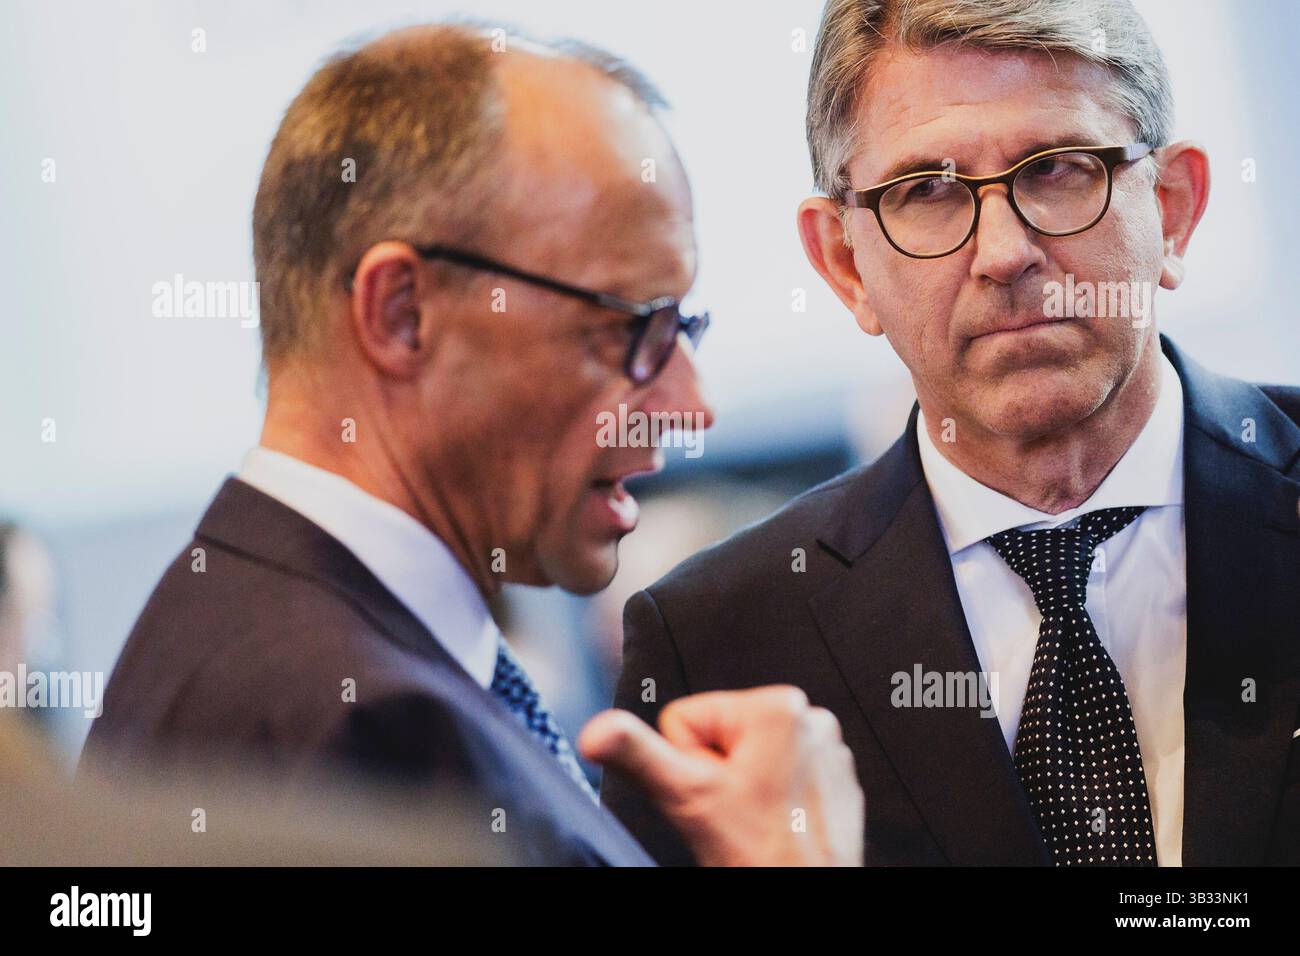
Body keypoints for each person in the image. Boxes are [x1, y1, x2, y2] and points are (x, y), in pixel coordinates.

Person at [81, 23, 862, 867]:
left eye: (686, 328)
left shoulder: (312, 655)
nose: (689, 407)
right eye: (636, 327)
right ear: (402, 315)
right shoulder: (353, 738)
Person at [604, 0, 1300, 866]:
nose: (1005, 252)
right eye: (926, 192)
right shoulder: (716, 645)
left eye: (1057, 170)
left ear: (1174, 207)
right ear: (846, 265)